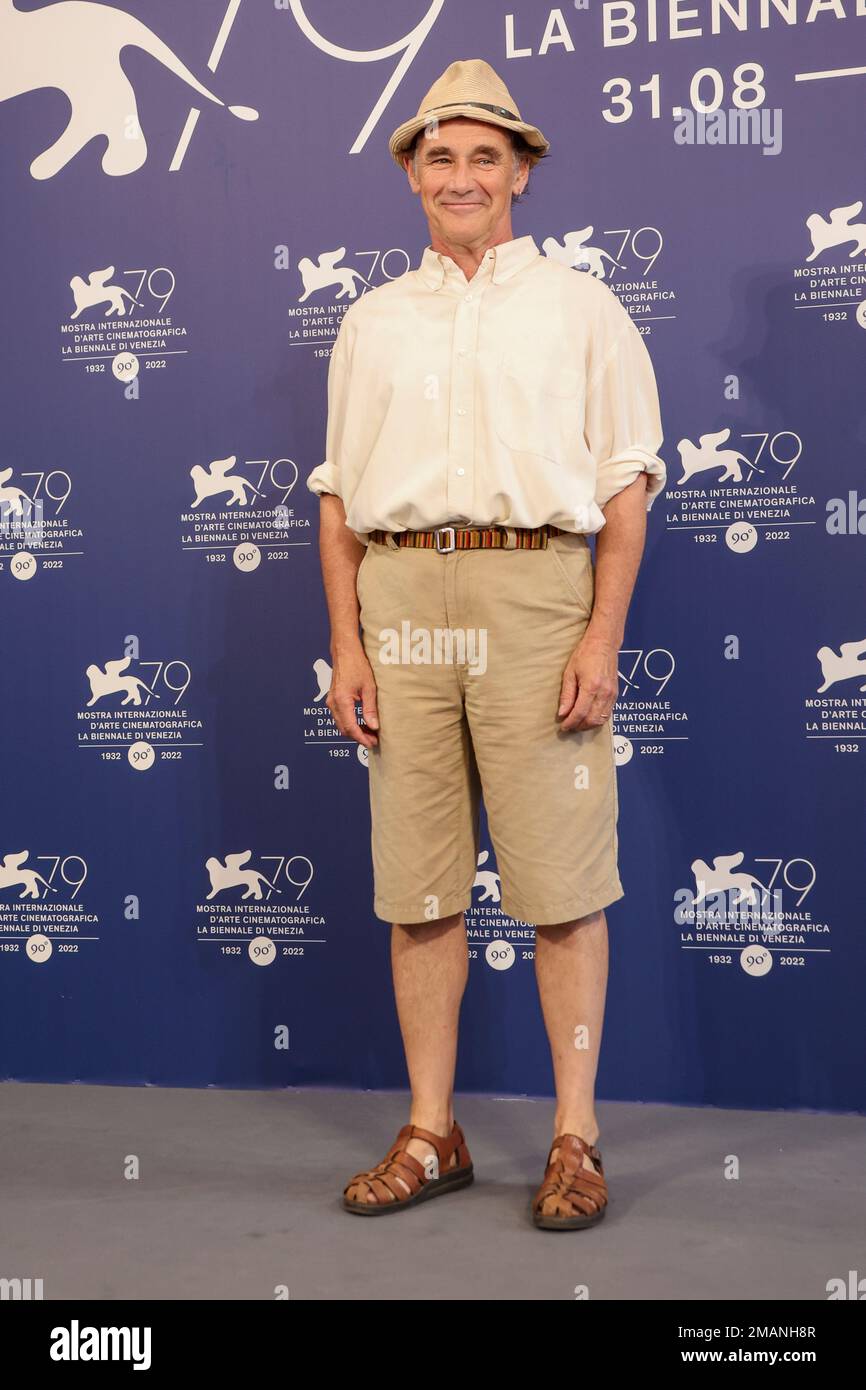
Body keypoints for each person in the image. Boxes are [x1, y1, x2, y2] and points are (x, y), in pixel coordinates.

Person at [306, 58, 666, 1230]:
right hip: (400, 594)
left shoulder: (582, 308)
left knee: (558, 885)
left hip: (535, 594)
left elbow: (623, 490)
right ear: (412, 174)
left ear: (518, 172)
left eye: (482, 155)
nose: (460, 175)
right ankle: (432, 1130)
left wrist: (600, 634)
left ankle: (573, 1136)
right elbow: (337, 498)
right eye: (439, 155)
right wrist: (347, 648)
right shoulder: (368, 320)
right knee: (418, 884)